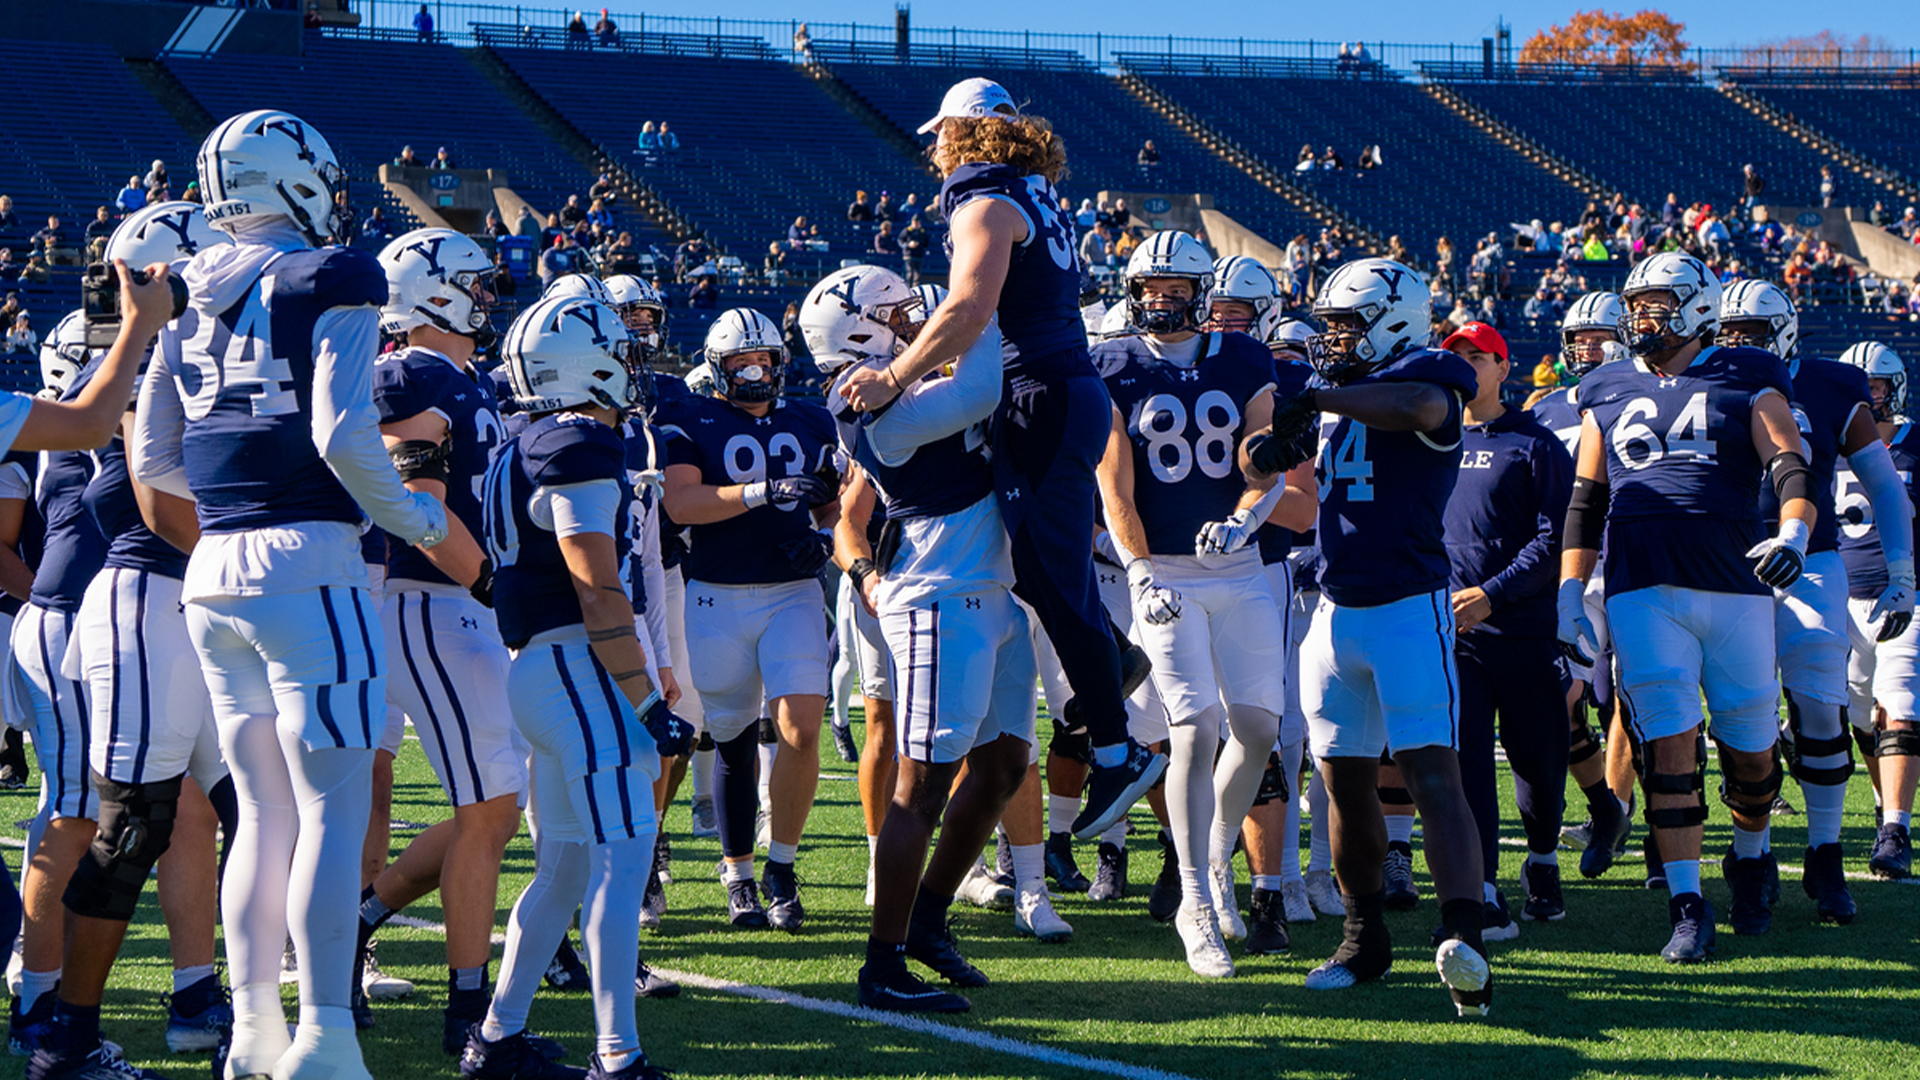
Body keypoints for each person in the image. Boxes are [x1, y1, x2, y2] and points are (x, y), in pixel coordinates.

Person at [129, 109, 450, 1080]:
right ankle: (324, 1038)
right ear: (294, 181)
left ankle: (254, 1033)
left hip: (214, 570)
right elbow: (344, 434)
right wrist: (416, 519)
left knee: (263, 818)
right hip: (310, 559)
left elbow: (154, 458)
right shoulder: (330, 274)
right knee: (329, 818)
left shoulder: (183, 288)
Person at [839, 76, 1167, 840]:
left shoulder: (983, 198)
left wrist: (895, 376)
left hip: (1041, 396)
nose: (934, 148)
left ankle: (1117, 749)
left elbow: (968, 307)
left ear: (966, 130)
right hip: (1062, 390)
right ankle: (1114, 663)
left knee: (1050, 569)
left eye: (942, 133)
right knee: (1036, 565)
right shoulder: (1033, 191)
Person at [1242, 257, 1493, 1016]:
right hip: (1335, 609)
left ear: (1393, 322)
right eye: (1330, 326)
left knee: (1430, 775)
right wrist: (1271, 444)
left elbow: (1418, 404)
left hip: (1409, 609)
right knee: (1342, 784)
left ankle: (1466, 940)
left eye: (1348, 325)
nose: (1334, 339)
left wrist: (1316, 396)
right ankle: (1362, 938)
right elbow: (1257, 465)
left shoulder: (1432, 376)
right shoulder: (1339, 395)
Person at [1557, 252, 1814, 964]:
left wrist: (1794, 532)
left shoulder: (1748, 372)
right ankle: (1687, 904)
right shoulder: (1603, 386)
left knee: (1751, 750)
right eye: (1635, 304)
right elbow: (1585, 501)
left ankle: (1752, 857)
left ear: (1698, 306)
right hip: (1642, 586)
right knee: (1668, 748)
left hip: (1734, 585)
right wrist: (1569, 591)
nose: (1640, 317)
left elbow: (1789, 464)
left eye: (1656, 303)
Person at [796, 266, 1031, 1011]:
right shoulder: (862, 398)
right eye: (896, 313)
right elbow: (979, 389)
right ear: (858, 330)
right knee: (922, 782)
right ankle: (883, 965)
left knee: (1002, 765)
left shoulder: (892, 382)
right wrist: (979, 297)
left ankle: (927, 922)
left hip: (987, 586)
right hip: (938, 594)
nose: (915, 320)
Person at [1094, 232, 1315, 977]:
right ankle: (1194, 901)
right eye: (1148, 290)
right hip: (1166, 573)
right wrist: (1139, 570)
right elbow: (1115, 487)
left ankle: (1215, 860)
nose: (1159, 302)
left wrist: (1247, 517)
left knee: (1258, 727)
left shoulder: (1244, 357)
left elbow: (1263, 458)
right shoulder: (1113, 364)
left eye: (1173, 290)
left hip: (1241, 565)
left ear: (1200, 293)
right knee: (1194, 728)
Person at [469, 293, 674, 1080]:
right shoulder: (578, 444)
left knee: (565, 869)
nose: (630, 365)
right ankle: (617, 1054)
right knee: (622, 858)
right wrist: (646, 698)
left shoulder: (523, 443)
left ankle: (497, 1037)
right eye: (618, 352)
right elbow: (598, 590)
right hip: (577, 669)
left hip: (544, 669)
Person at [1721, 281, 1910, 925]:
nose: (1736, 342)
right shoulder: (1705, 378)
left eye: (1749, 331)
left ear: (1782, 330)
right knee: (1745, 717)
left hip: (1814, 561)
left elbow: (1884, 484)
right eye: (1727, 330)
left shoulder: (1830, 384)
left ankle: (1825, 856)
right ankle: (1750, 859)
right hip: (1728, 563)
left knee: (1821, 707)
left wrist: (1903, 573)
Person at [659, 310, 838, 932]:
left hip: (793, 592)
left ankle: (781, 867)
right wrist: (763, 491)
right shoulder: (690, 418)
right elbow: (681, 502)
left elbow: (836, 501)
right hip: (718, 595)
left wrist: (827, 539)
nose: (756, 372)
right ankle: (737, 873)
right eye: (742, 363)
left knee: (801, 729)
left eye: (764, 360)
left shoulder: (810, 419)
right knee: (732, 739)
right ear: (717, 368)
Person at [1438, 320, 1575, 935]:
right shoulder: (1431, 441)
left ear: (1502, 367)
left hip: (1522, 627)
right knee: (1466, 763)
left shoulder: (1535, 443)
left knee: (1539, 765)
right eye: (1456, 356)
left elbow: (1555, 540)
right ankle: (1484, 887)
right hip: (1454, 636)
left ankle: (1542, 859)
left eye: (1477, 356)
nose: (1466, 365)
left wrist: (1493, 596)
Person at [1528, 295, 1640, 877]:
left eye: (1598, 336)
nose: (1587, 347)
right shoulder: (1545, 409)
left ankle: (1626, 809)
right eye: (1579, 337)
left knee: (1638, 696)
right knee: (1560, 698)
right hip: (1573, 569)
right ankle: (1607, 809)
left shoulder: (1642, 394)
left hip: (1637, 560)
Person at [1835, 342, 1920, 881]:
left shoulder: (1915, 445)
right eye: (1858, 385)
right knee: (1861, 715)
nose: (1867, 396)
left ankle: (1896, 829)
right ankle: (1884, 804)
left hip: (1906, 594)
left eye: (1876, 386)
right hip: (1843, 599)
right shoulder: (1830, 442)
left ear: (1895, 387)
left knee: (1901, 700)